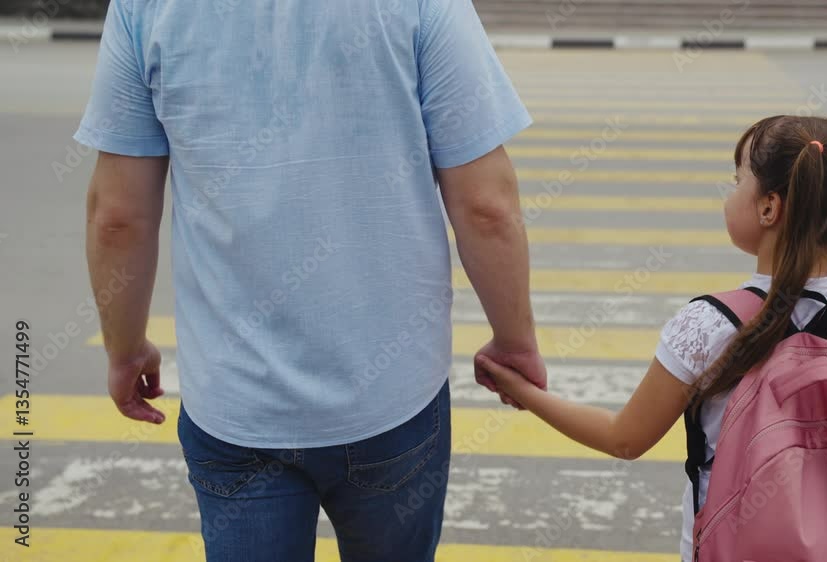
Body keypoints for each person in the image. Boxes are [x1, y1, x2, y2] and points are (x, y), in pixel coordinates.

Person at [77, 0, 544, 560]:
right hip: (391, 400)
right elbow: (487, 206)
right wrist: (514, 342)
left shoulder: (143, 8)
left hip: (236, 409)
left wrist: (124, 350)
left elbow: (118, 218)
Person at [477, 115, 827, 562]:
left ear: (769, 207)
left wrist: (523, 392)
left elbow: (625, 439)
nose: (730, 192)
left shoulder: (710, 324)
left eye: (737, 180)